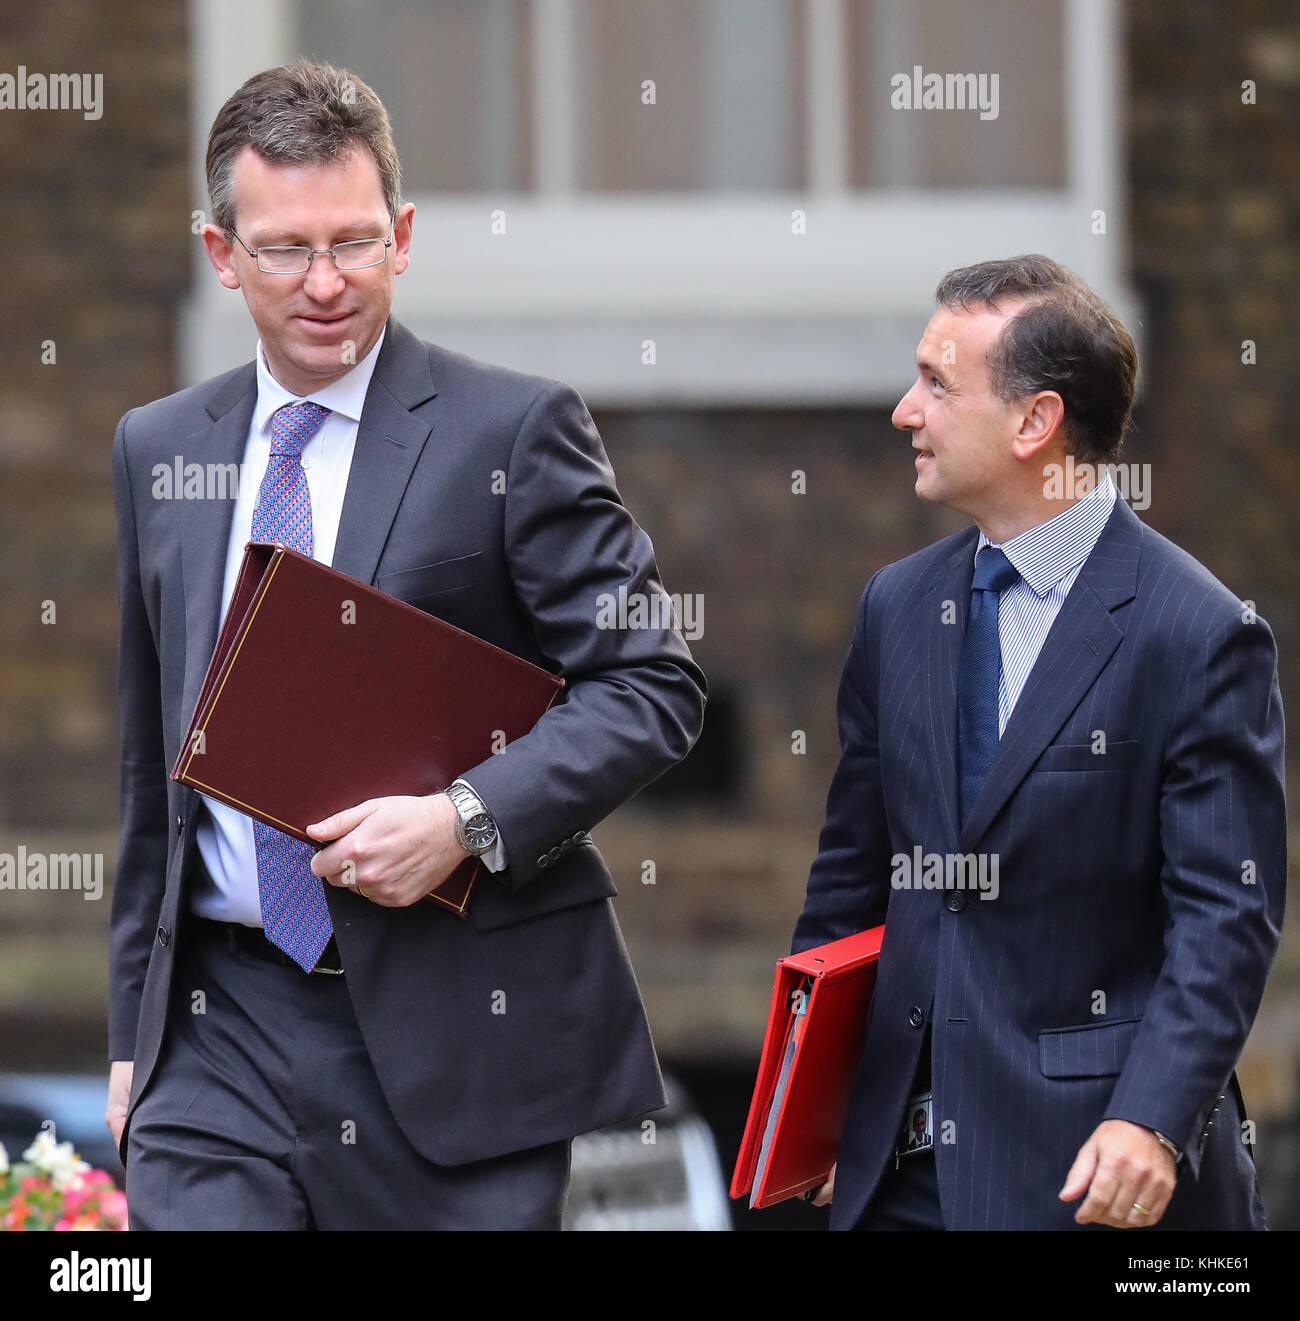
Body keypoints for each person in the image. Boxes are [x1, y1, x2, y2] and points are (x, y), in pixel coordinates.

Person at [105, 60, 706, 1230]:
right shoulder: (157, 445)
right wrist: (136, 1034)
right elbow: (150, 765)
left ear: (405, 234)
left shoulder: (516, 429)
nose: (326, 282)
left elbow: (651, 684)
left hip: (455, 1036)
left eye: (358, 242)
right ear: (222, 254)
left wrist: (463, 821)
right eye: (285, 249)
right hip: (215, 1039)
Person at [798, 255, 1284, 1230]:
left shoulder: (1197, 634)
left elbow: (1222, 915)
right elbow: (850, 880)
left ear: (1034, 423)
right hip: (898, 1178)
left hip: (1093, 1180)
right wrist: (809, 1110)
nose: (904, 410)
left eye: (937, 384)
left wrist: (1150, 1119)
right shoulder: (896, 608)